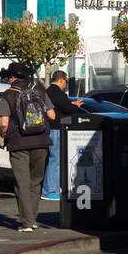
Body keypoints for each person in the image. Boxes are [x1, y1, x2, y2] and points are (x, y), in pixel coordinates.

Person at [0, 62, 55, 233]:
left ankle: (27, 222)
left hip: (18, 143)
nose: (9, 79)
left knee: (22, 183)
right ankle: (33, 217)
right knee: (35, 182)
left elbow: (4, 123)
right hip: (41, 141)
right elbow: (51, 115)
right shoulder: (39, 90)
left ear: (13, 77)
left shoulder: (8, 94)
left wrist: (3, 135)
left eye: (10, 76)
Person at [43, 71, 84, 200]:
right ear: (61, 80)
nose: (66, 84)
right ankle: (50, 191)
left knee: (54, 160)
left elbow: (61, 106)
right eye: (66, 81)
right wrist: (75, 106)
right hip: (56, 129)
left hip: (52, 128)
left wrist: (70, 105)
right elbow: (67, 108)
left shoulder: (49, 91)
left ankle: (52, 189)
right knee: (55, 160)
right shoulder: (56, 92)